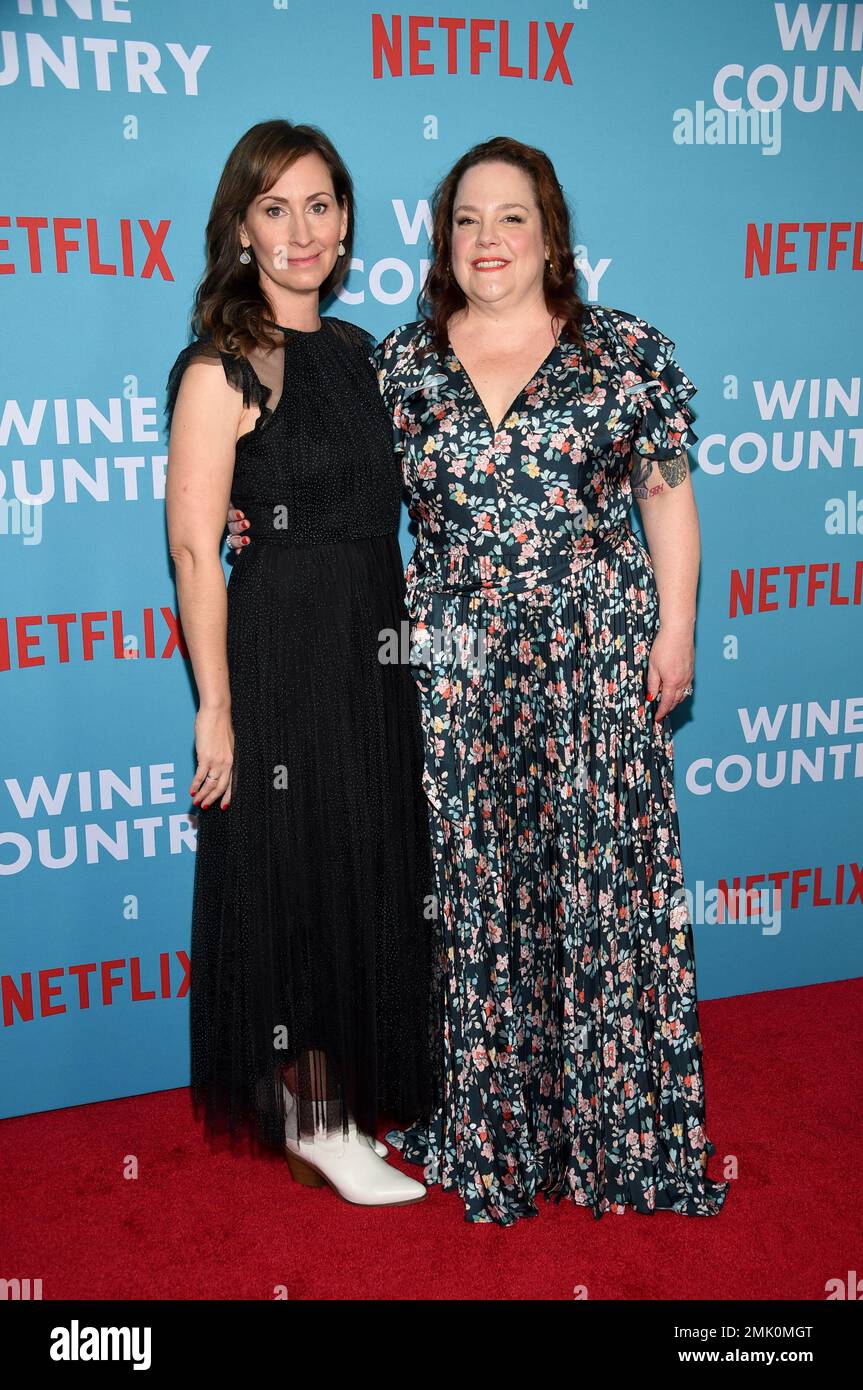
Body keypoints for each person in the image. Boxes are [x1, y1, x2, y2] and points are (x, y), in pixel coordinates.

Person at [228, 134, 730, 1227]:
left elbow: (667, 495)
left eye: (510, 216)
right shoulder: (394, 366)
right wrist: (248, 516)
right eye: (465, 219)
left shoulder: (625, 353)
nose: (487, 238)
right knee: (475, 898)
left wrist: (676, 627)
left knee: (601, 888)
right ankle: (493, 1125)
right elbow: (319, 474)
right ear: (440, 241)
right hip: (451, 668)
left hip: (598, 653)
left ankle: (616, 1134)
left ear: (550, 235)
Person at [164, 118, 436, 1206]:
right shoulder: (220, 365)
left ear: (346, 222)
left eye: (319, 205)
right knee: (307, 876)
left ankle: (344, 1103)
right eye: (273, 208)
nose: (299, 229)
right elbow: (193, 542)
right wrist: (217, 707)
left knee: (369, 864)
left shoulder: (365, 351)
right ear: (240, 228)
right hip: (283, 645)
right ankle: (319, 1122)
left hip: (374, 639)